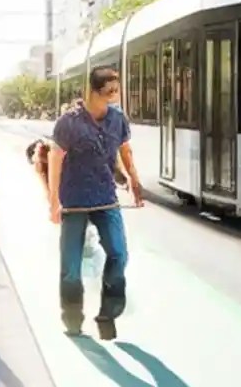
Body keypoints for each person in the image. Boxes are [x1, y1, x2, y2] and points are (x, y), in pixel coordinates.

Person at [49, 66, 144, 339]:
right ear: (93, 91)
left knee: (119, 253)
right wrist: (53, 199)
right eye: (109, 91)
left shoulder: (118, 119)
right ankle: (72, 316)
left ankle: (108, 312)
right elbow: (56, 158)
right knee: (71, 266)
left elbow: (125, 150)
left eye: (117, 89)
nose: (115, 95)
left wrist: (134, 181)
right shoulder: (69, 122)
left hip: (105, 198)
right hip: (74, 201)